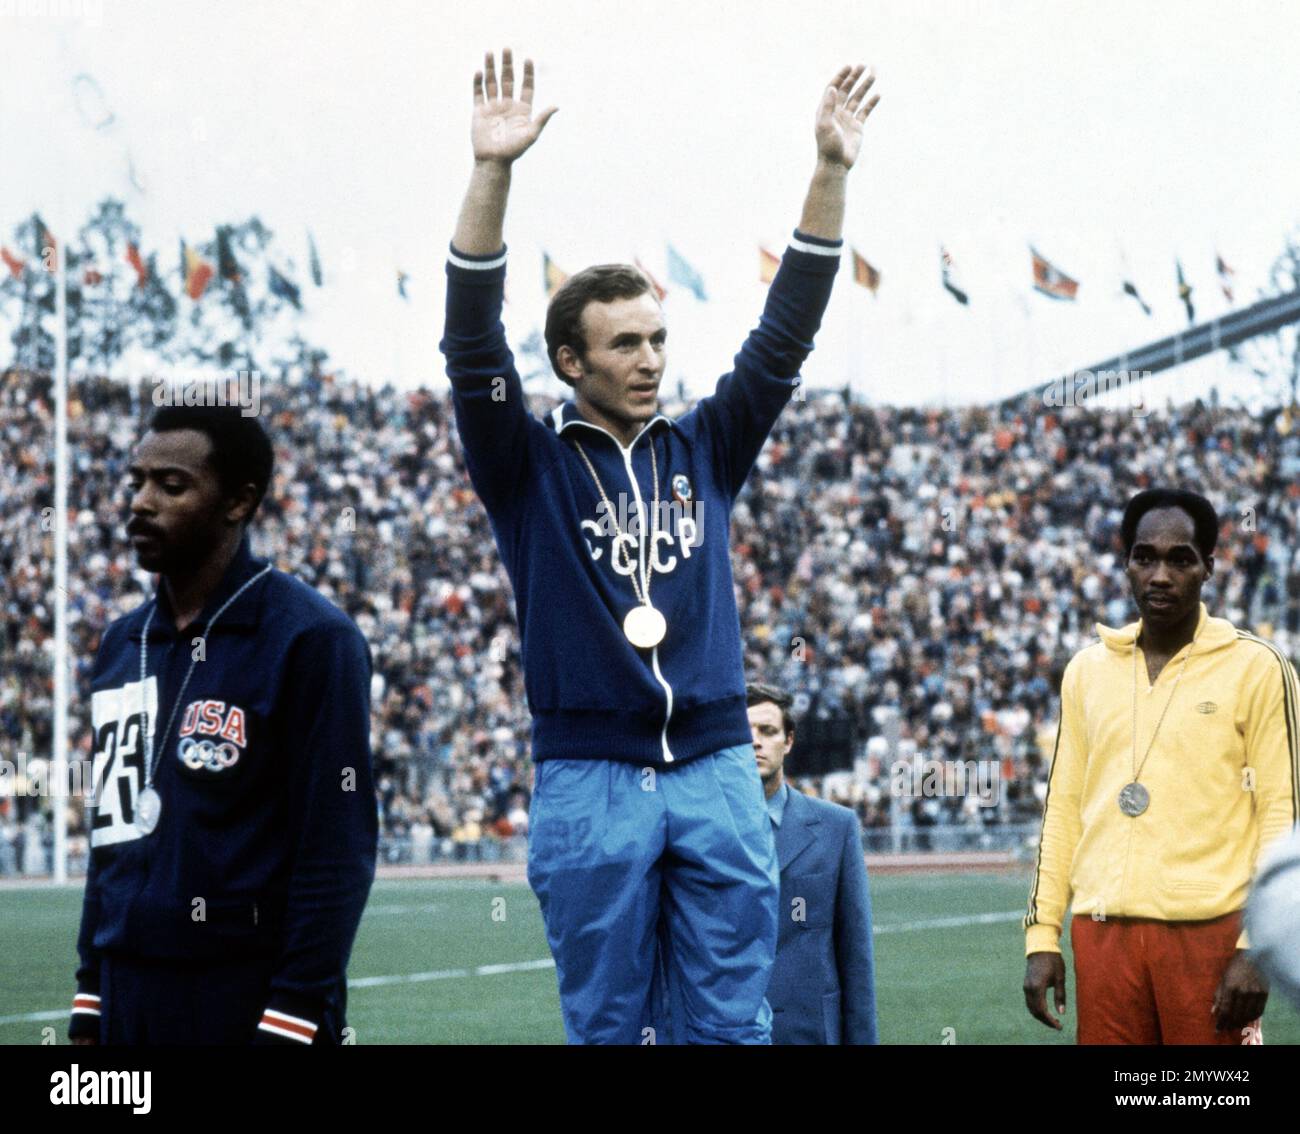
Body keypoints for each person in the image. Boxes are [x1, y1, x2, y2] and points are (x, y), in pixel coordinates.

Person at [440, 48, 880, 1044]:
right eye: (624, 344)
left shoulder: (707, 447)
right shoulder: (527, 468)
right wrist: (493, 173)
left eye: (656, 341)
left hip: (719, 767)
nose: (648, 360)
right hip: (590, 775)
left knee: (731, 1022)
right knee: (608, 1025)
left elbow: (783, 337)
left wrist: (829, 173)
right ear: (569, 360)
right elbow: (470, 346)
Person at [69, 404, 377, 1045]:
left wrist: (293, 1016)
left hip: (246, 998)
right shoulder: (123, 645)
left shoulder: (311, 639)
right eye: (137, 482)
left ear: (238, 502)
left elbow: (335, 850)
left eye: (172, 485)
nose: (141, 503)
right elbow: (114, 834)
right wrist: (90, 992)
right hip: (128, 997)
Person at [1023, 487, 1297, 1045]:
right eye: (1145, 557)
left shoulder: (1259, 667)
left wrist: (1256, 949)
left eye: (1180, 559)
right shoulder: (1086, 671)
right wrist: (1042, 936)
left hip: (1211, 938)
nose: (1160, 575)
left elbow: (1281, 814)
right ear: (1126, 564)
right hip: (1102, 937)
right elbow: (1063, 810)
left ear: (1208, 569)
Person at [748, 682, 877, 1044]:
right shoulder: (700, 830)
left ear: (788, 741)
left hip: (810, 1032)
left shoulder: (836, 827)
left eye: (767, 731)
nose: (755, 741)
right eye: (744, 733)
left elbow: (856, 956)